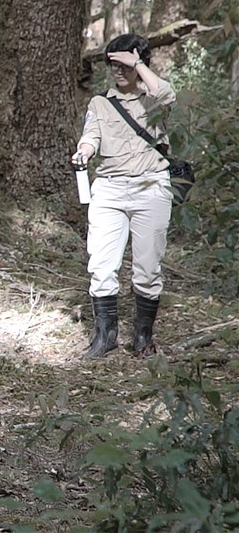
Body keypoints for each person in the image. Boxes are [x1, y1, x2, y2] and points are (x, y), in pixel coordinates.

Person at [72, 33, 176, 359]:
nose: (118, 70)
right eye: (112, 63)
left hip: (152, 187)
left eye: (124, 63)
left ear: (138, 62)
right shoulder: (100, 102)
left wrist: (138, 63)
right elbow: (91, 135)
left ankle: (143, 338)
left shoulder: (152, 98)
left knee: (147, 267)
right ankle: (105, 337)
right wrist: (84, 151)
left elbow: (167, 94)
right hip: (110, 188)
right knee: (101, 264)